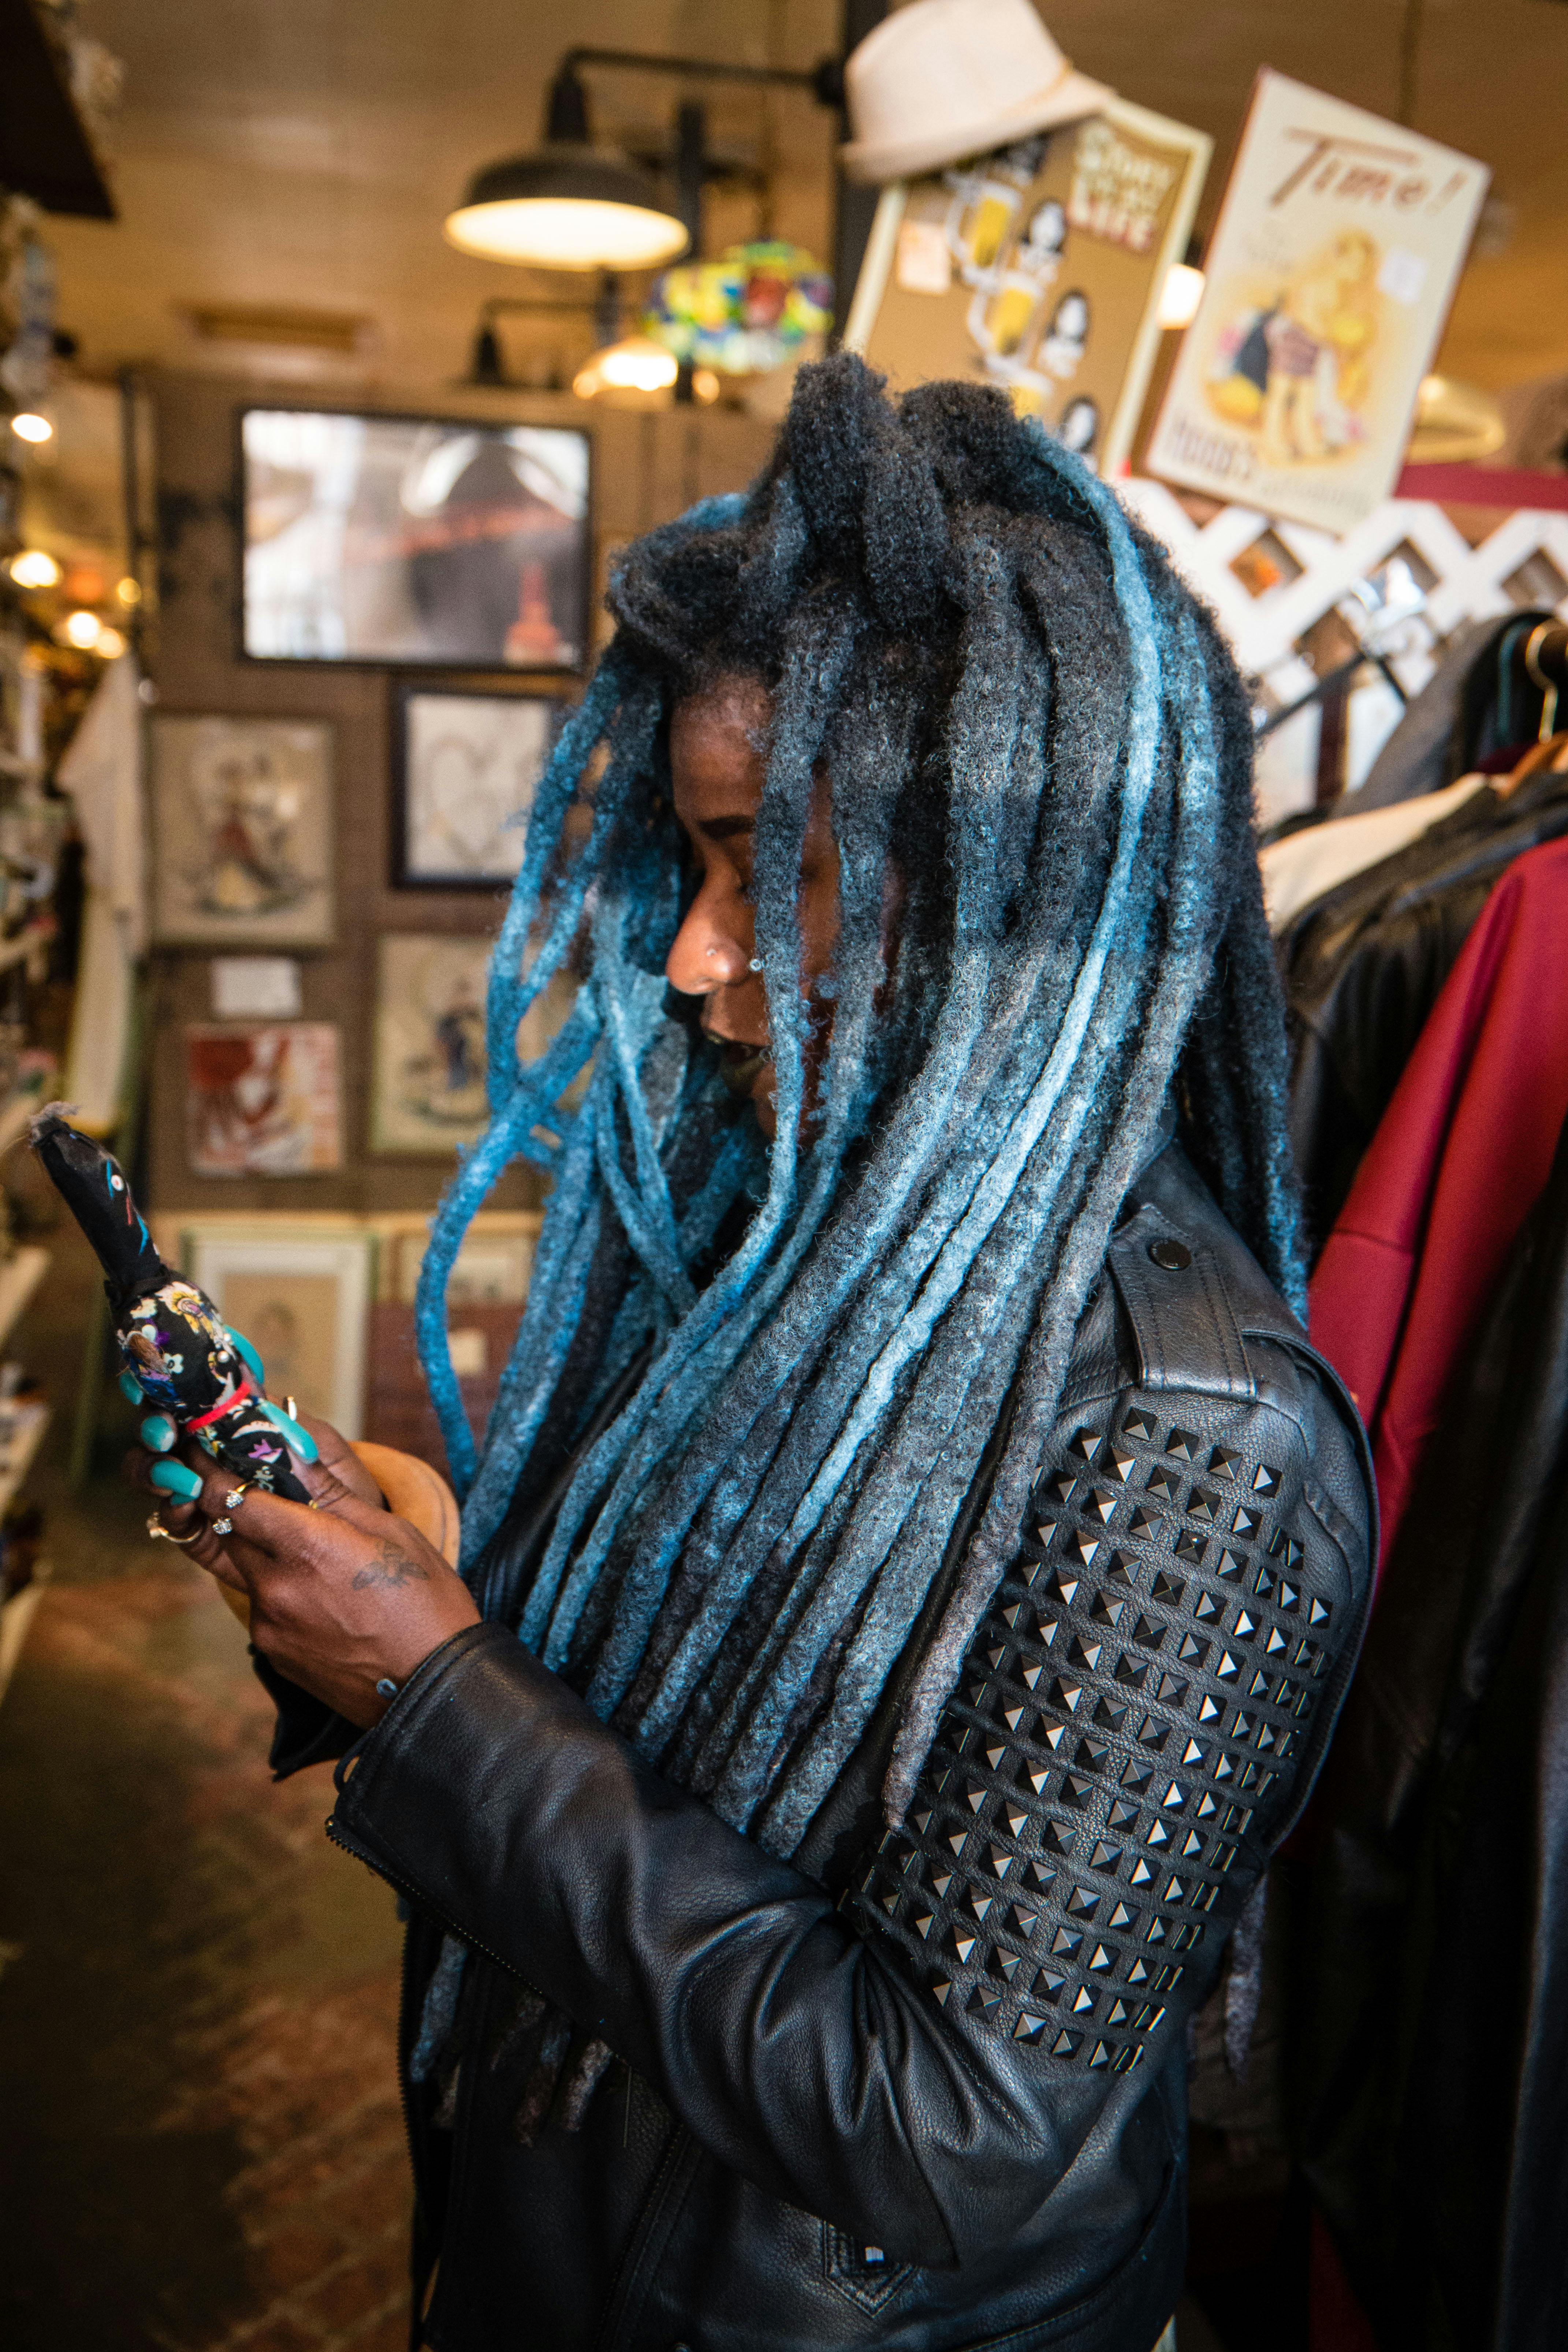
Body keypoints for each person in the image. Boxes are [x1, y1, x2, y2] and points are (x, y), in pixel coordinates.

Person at [133, 358, 1373, 2352]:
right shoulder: (765, 1228)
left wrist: (442, 1695)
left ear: (1002, 897)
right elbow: (674, 1760)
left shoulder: (1196, 1433)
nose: (692, 956)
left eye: (763, 869)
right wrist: (428, 1596)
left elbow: (949, 2128)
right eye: (693, 867)